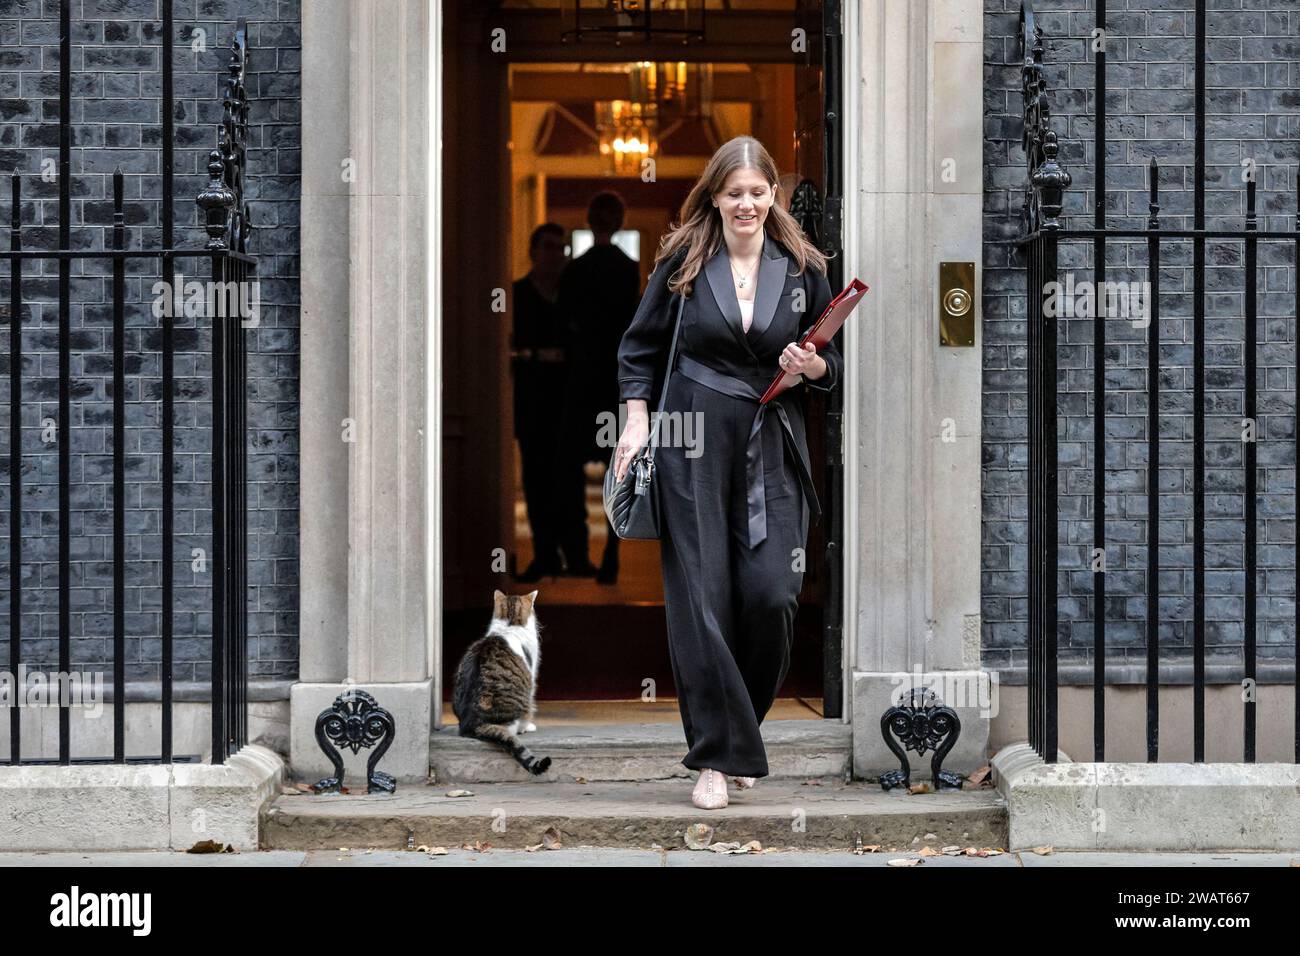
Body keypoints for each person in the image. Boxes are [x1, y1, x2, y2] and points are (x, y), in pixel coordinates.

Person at [613, 136, 842, 809]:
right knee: (701, 601)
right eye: (733, 192)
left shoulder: (804, 268)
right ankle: (716, 759)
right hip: (691, 443)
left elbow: (836, 368)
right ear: (713, 195)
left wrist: (814, 368)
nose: (746, 203)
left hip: (771, 439)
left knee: (773, 593)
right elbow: (640, 346)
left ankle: (741, 729)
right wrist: (635, 420)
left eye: (757, 191)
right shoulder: (685, 258)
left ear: (775, 194)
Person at [557, 191, 642, 583]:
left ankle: (577, 551)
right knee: (616, 466)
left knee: (572, 466)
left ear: (591, 222)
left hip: (581, 375)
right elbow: (632, 326)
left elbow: (566, 323)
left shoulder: (576, 269)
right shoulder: (627, 268)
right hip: (614, 378)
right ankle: (610, 548)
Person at [510, 223, 573, 583]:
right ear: (534, 252)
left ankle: (572, 555)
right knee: (536, 481)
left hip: (567, 402)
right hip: (532, 403)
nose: (555, 254)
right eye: (548, 247)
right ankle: (544, 553)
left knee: (567, 480)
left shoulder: (573, 297)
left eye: (561, 248)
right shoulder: (516, 294)